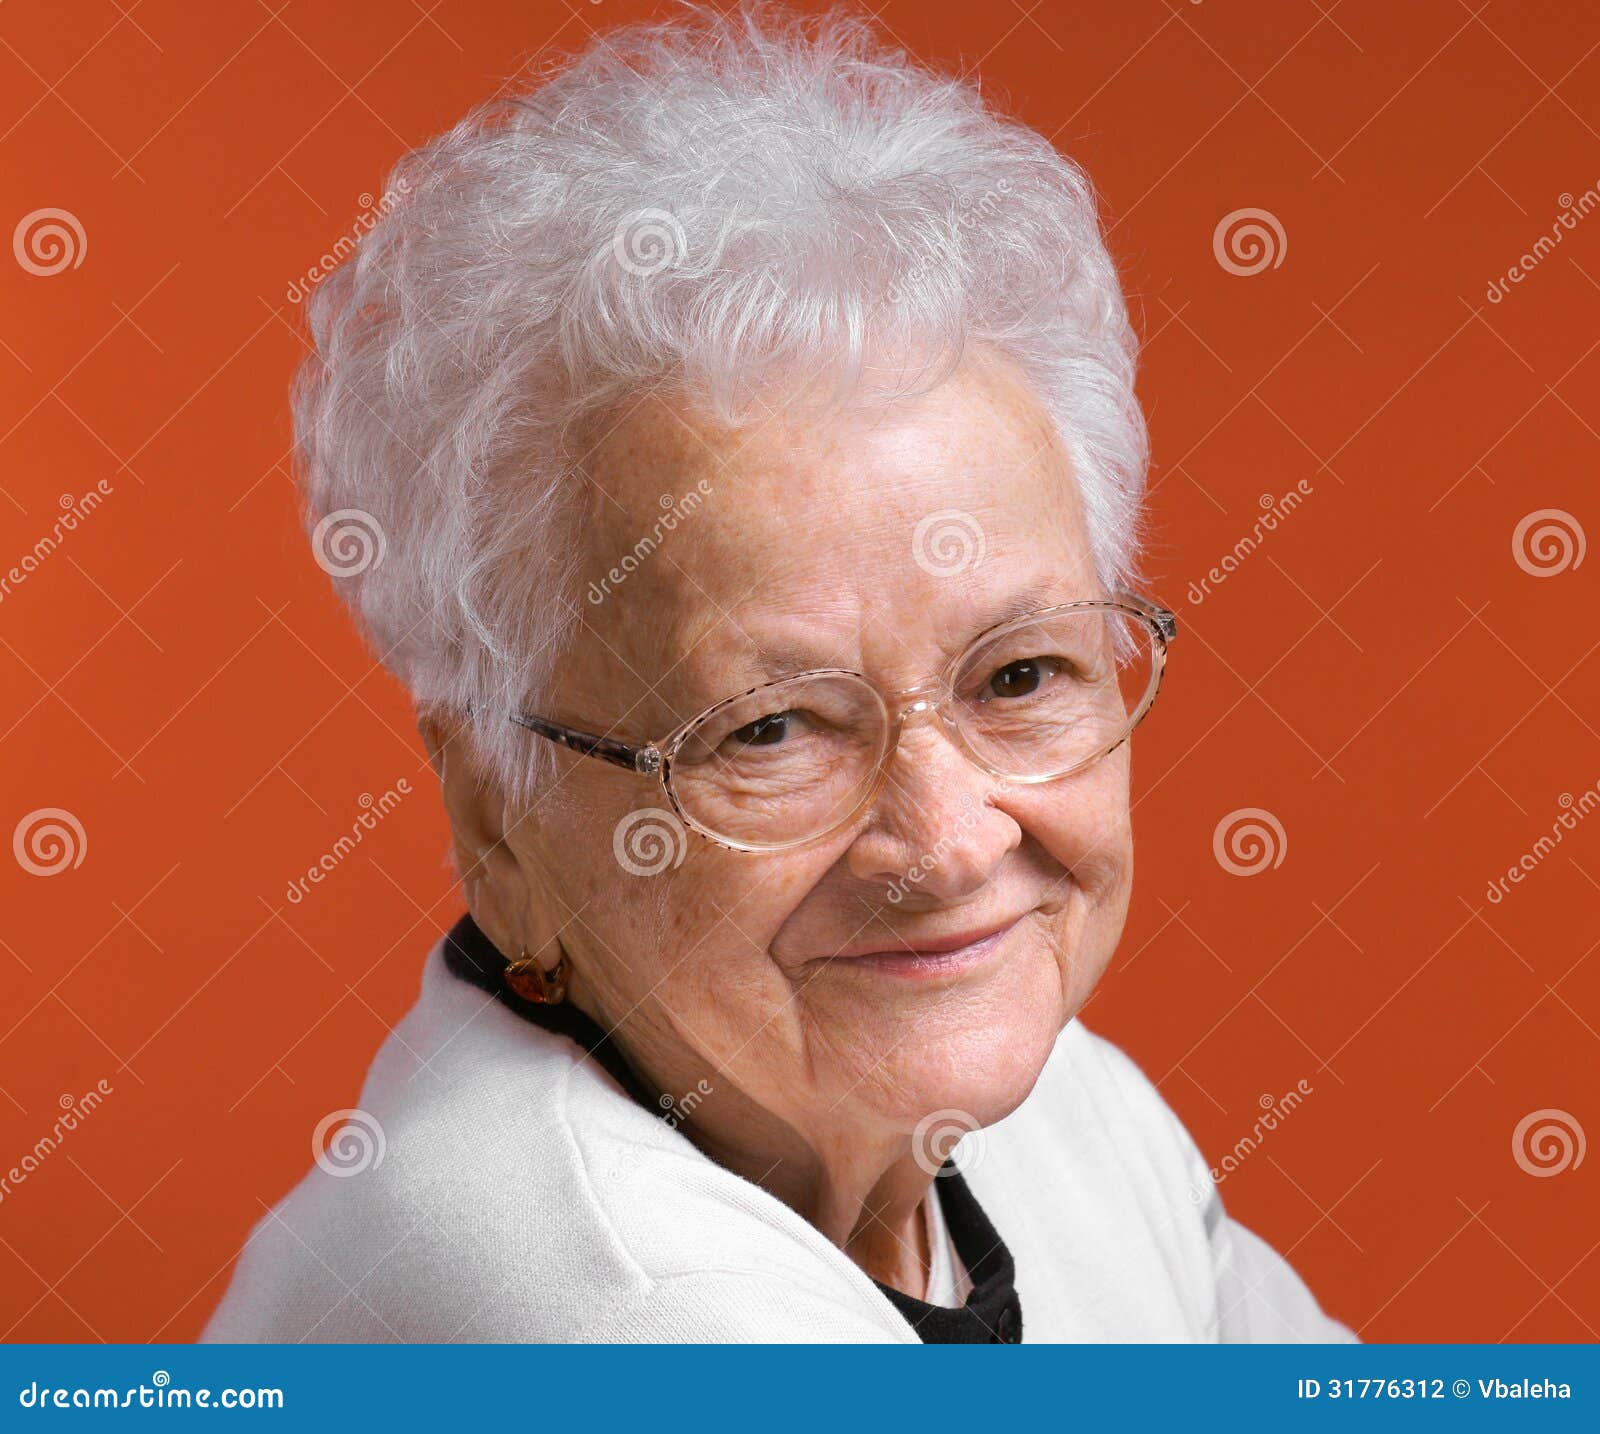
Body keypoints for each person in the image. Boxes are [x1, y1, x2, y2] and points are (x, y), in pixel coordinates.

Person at [204, 3, 1355, 1344]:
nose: (948, 845)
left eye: (1021, 675)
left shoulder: (1064, 1121)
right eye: (772, 729)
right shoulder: (633, 1318)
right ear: (495, 820)